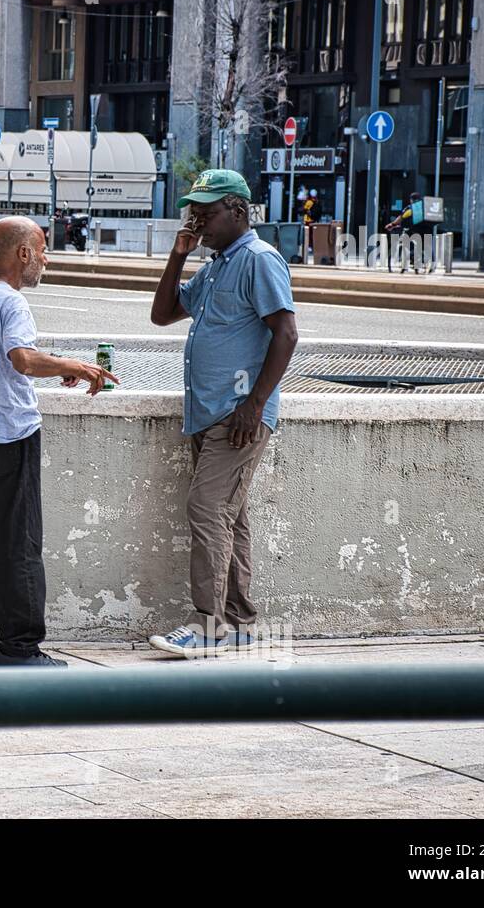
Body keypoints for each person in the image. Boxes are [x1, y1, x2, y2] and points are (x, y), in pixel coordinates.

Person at [0, 215, 117, 669]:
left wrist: (60, 369)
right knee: (20, 543)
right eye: (43, 249)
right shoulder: (12, 303)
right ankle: (18, 649)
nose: (46, 259)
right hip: (9, 434)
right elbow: (23, 360)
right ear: (22, 254)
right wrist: (77, 365)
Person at [146, 169, 299, 658]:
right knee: (229, 517)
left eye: (207, 213)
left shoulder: (259, 260)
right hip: (208, 412)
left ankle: (207, 626)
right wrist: (178, 255)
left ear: (238, 210)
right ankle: (239, 622)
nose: (199, 221)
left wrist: (254, 406)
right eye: (194, 212)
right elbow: (163, 313)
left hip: (236, 415)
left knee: (207, 509)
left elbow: (287, 334)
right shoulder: (213, 267)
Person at [384, 192, 429, 274]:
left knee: (405, 247)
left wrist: (392, 224)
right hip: (423, 231)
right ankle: (417, 266)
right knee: (419, 247)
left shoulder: (410, 208)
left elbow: (401, 217)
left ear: (411, 200)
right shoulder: (424, 208)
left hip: (410, 230)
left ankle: (404, 266)